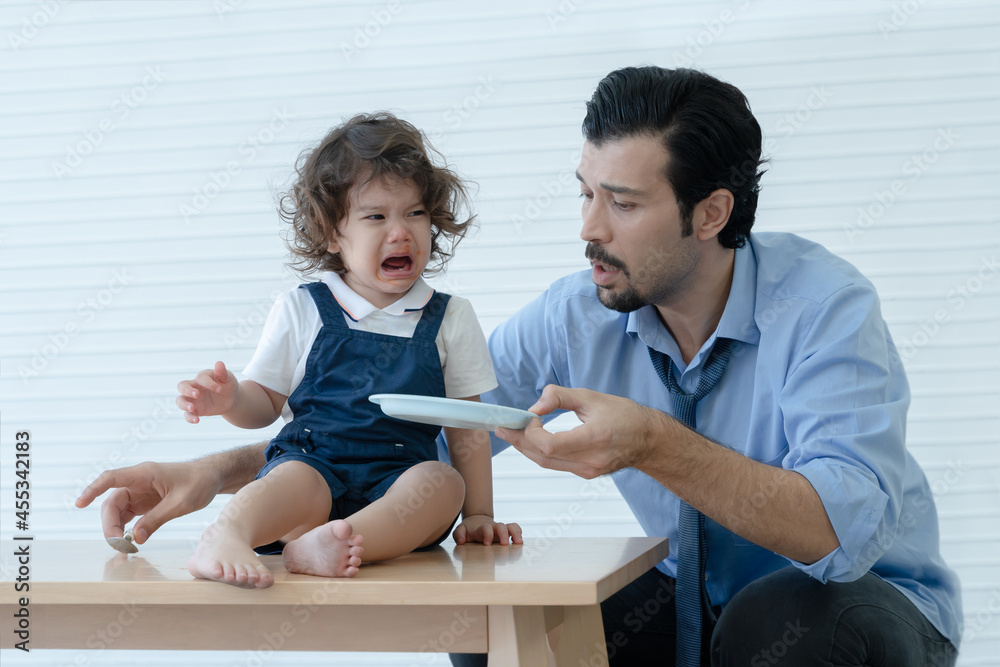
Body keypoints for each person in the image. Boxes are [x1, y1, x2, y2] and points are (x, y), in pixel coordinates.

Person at [77, 67, 961, 666]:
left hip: (853, 605)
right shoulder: (581, 308)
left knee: (788, 622)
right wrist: (213, 470)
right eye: (585, 191)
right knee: (501, 625)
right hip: (679, 606)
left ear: (710, 212)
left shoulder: (824, 306)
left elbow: (839, 534)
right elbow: (406, 422)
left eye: (621, 202)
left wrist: (653, 441)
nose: (587, 228)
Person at [168, 112, 522, 588]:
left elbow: (468, 427)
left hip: (399, 487)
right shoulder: (303, 308)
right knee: (290, 477)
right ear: (333, 233)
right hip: (314, 465)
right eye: (375, 216)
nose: (400, 232)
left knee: (443, 484)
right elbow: (264, 407)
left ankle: (334, 543)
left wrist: (479, 514)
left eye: (414, 213)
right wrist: (231, 400)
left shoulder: (450, 317)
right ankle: (226, 535)